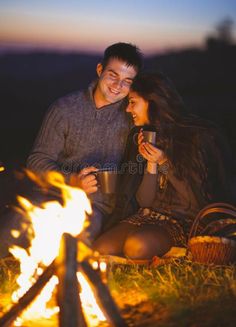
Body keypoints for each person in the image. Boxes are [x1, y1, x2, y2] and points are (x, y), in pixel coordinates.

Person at [93, 72, 234, 259]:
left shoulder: (195, 138)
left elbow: (196, 199)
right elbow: (145, 201)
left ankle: (172, 253)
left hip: (183, 222)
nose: (128, 109)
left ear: (152, 102)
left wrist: (164, 162)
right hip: (149, 216)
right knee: (101, 248)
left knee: (137, 247)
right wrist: (152, 163)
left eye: (133, 102)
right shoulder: (147, 136)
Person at [26, 42, 143, 241]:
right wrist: (71, 180)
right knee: (12, 231)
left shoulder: (132, 116)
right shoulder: (64, 109)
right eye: (113, 75)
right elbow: (36, 161)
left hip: (98, 207)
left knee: (75, 244)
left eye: (127, 81)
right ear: (100, 70)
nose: (118, 86)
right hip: (54, 195)